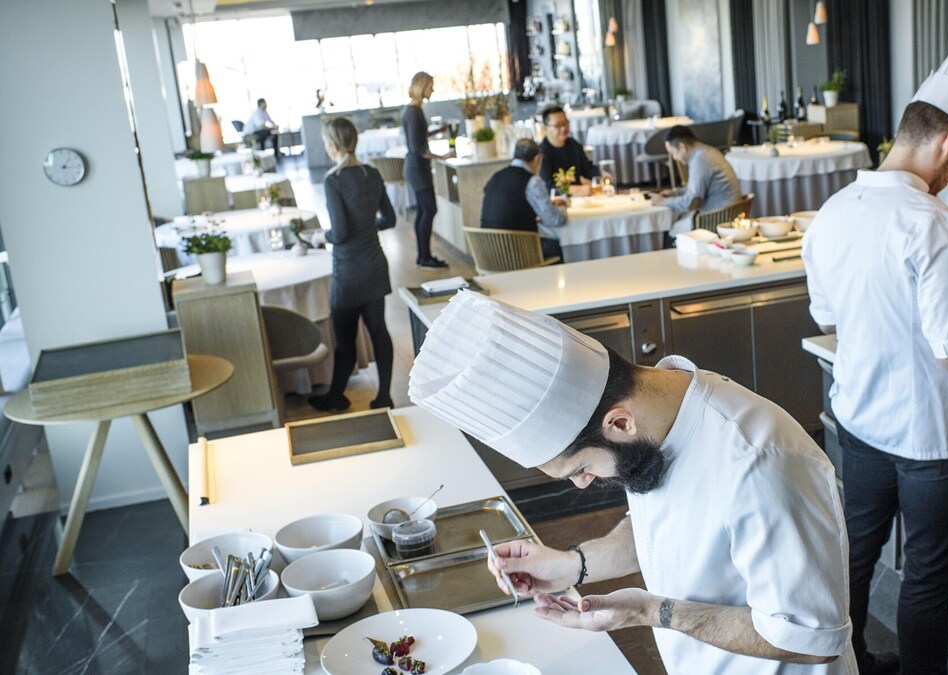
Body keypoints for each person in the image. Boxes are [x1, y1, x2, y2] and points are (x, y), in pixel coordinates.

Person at [409, 291, 855, 675]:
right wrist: (571, 565)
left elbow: (809, 639)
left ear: (619, 422)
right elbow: (662, 524)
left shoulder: (761, 464)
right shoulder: (654, 423)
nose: (583, 485)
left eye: (579, 467)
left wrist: (650, 611)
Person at [801, 39, 948, 675]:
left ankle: (850, 665)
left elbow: (830, 319)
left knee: (855, 557)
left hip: (861, 423)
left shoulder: (831, 212)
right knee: (927, 585)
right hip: (933, 441)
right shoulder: (932, 220)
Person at [307, 117, 396, 412]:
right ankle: (384, 396)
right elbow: (390, 219)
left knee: (344, 340)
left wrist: (321, 236)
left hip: (349, 272)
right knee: (379, 332)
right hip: (374, 264)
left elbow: (340, 233)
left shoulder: (334, 180)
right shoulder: (372, 173)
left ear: (332, 145)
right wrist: (368, 229)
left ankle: (335, 398)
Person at [480, 138, 567, 260]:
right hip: (518, 254)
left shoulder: (496, 176)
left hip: (489, 254)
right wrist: (562, 207)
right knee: (558, 245)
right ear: (537, 159)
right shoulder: (532, 181)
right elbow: (555, 220)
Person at [404, 72, 453, 269]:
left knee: (424, 211)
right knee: (429, 209)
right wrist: (442, 157)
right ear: (421, 87)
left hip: (415, 168)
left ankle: (423, 256)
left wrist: (439, 131)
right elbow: (418, 149)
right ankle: (425, 256)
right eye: (430, 86)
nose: (432, 89)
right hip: (418, 169)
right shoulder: (414, 112)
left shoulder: (412, 110)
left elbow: (418, 137)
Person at [651, 126, 740, 227]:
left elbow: (691, 203)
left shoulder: (700, 160)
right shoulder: (707, 151)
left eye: (673, 153)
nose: (675, 158)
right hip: (729, 213)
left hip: (717, 219)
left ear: (682, 147)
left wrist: (663, 201)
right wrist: (675, 192)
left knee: (668, 227)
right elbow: (699, 190)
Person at [538, 106, 602, 190]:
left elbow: (586, 170)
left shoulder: (573, 145)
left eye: (565, 123)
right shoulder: (541, 154)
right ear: (545, 128)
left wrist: (601, 173)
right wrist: (576, 189)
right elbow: (548, 186)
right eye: (557, 125)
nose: (563, 128)